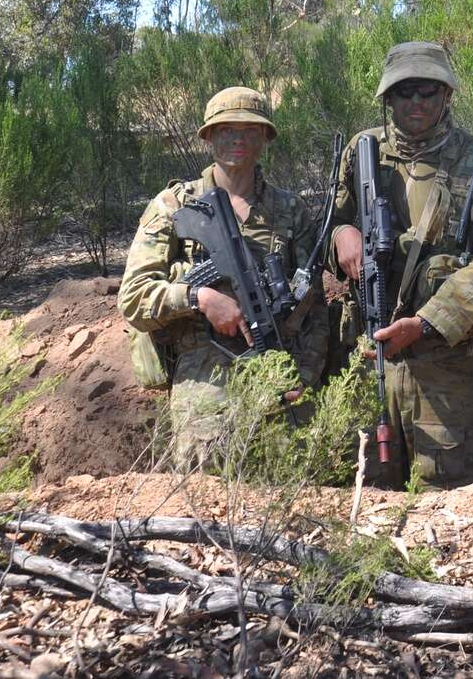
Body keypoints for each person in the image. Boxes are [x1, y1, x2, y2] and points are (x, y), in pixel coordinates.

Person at [330, 41, 473, 489]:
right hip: (367, 360)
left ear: (447, 96)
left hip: (446, 369)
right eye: (405, 92)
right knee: (364, 495)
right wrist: (342, 235)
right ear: (387, 98)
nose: (416, 102)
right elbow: (328, 227)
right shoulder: (362, 154)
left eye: (428, 92)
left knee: (449, 504)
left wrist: (428, 321)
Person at [117, 87, 330, 469]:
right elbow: (134, 298)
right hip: (204, 380)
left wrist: (305, 377)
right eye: (225, 129)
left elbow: (315, 308)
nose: (237, 139)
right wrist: (199, 298)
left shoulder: (290, 210)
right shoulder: (173, 206)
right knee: (209, 498)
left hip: (278, 372)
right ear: (209, 137)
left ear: (265, 137)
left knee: (291, 491)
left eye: (249, 130)